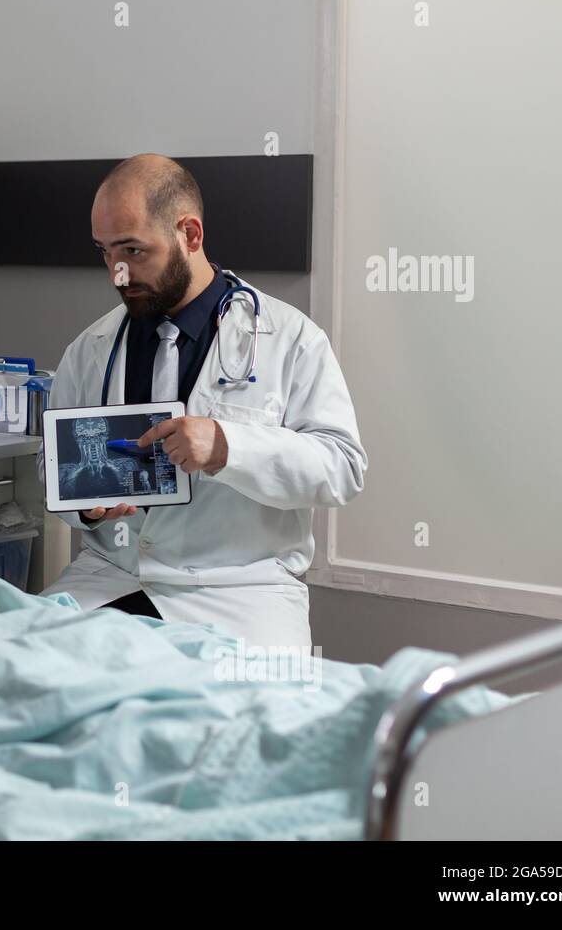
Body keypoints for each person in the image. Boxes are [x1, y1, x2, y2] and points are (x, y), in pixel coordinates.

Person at [40, 155, 367, 646]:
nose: (118, 275)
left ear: (189, 235)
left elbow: (343, 469)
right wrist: (85, 506)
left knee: (235, 714)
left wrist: (228, 447)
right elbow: (52, 469)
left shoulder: (290, 339)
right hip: (111, 576)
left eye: (133, 250)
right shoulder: (91, 350)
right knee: (24, 667)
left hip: (240, 592)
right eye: (105, 253)